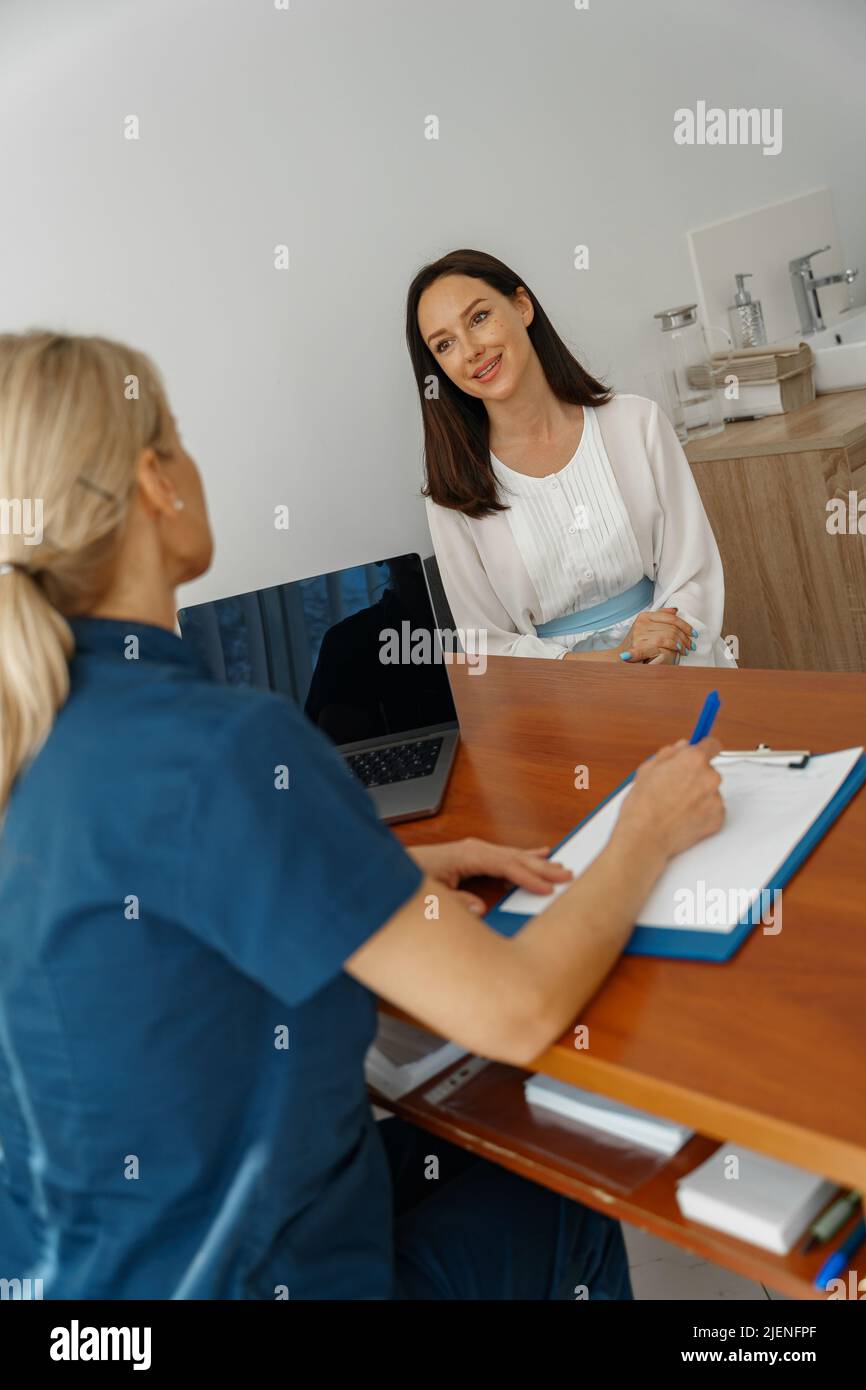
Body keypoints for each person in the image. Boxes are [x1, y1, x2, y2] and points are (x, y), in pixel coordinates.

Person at [0, 331, 723, 1300]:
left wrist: (372, 878)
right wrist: (644, 828)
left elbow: (151, 949)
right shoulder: (215, 747)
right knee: (574, 1183)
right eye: (179, 438)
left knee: (491, 1144)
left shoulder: (42, 739)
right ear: (153, 480)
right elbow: (516, 1009)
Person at [407, 248, 732, 666]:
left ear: (522, 306)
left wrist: (660, 657)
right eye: (445, 344)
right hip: (557, 703)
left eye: (479, 318)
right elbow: (490, 648)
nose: (470, 349)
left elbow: (694, 578)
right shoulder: (452, 497)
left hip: (679, 667)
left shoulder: (637, 423)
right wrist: (610, 664)